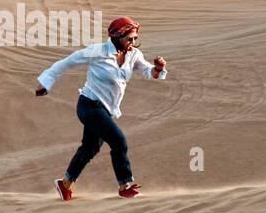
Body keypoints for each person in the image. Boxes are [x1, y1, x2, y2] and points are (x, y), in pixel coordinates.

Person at [35, 17, 168, 200]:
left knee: (89, 148)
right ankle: (125, 185)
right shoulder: (97, 52)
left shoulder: (133, 55)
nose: (133, 42)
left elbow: (148, 71)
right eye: (129, 38)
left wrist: (158, 69)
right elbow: (67, 62)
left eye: (135, 38)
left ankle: (65, 184)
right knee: (118, 141)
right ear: (116, 36)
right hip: (89, 106)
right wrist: (45, 83)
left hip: (105, 110)